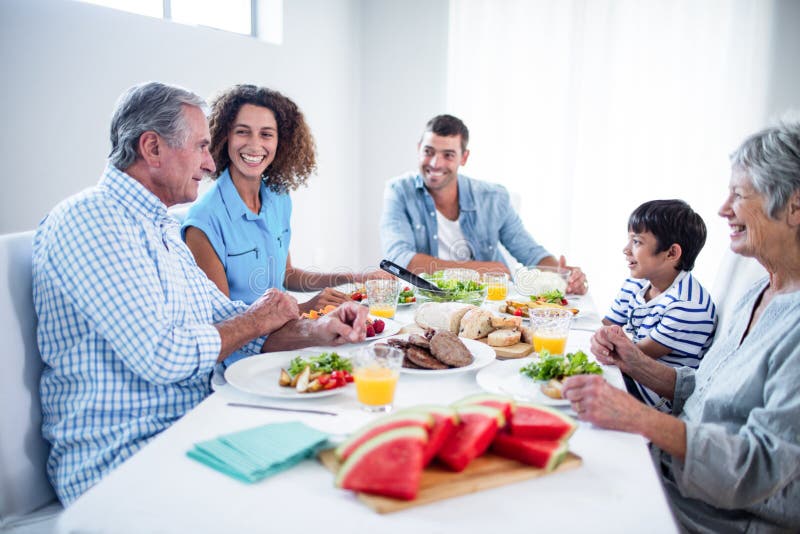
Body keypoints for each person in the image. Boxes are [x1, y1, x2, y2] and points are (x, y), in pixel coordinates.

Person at [33, 82, 368, 505]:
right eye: (201, 148)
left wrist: (320, 331)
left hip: (199, 424)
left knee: (342, 449)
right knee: (316, 495)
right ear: (152, 147)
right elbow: (163, 354)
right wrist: (258, 318)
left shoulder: (162, 229)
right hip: (126, 460)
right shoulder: (91, 220)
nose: (212, 164)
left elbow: (231, 323)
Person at [563, 120, 800, 531]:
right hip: (668, 471)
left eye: (739, 195)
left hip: (711, 517)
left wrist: (639, 418)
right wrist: (635, 361)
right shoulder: (760, 292)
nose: (724, 209)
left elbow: (759, 468)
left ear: (795, 207)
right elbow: (705, 391)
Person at [182, 85, 386, 328]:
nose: (255, 145)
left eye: (266, 134)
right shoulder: (203, 222)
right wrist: (304, 308)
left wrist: (353, 278)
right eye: (243, 132)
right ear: (224, 136)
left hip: (286, 334)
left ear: (282, 142)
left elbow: (286, 274)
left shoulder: (278, 197)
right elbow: (222, 321)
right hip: (242, 356)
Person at [379, 114, 588, 294]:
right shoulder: (399, 191)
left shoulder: (494, 197)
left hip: (487, 303)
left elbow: (530, 252)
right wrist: (486, 269)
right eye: (428, 151)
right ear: (418, 149)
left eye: (448, 155)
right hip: (427, 301)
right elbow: (398, 260)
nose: (435, 163)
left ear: (464, 157)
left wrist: (564, 275)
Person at [603, 199, 716, 412]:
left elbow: (632, 356)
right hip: (628, 375)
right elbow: (605, 326)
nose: (626, 250)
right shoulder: (638, 281)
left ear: (671, 253)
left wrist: (605, 339)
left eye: (637, 241)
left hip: (653, 399)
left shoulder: (687, 306)